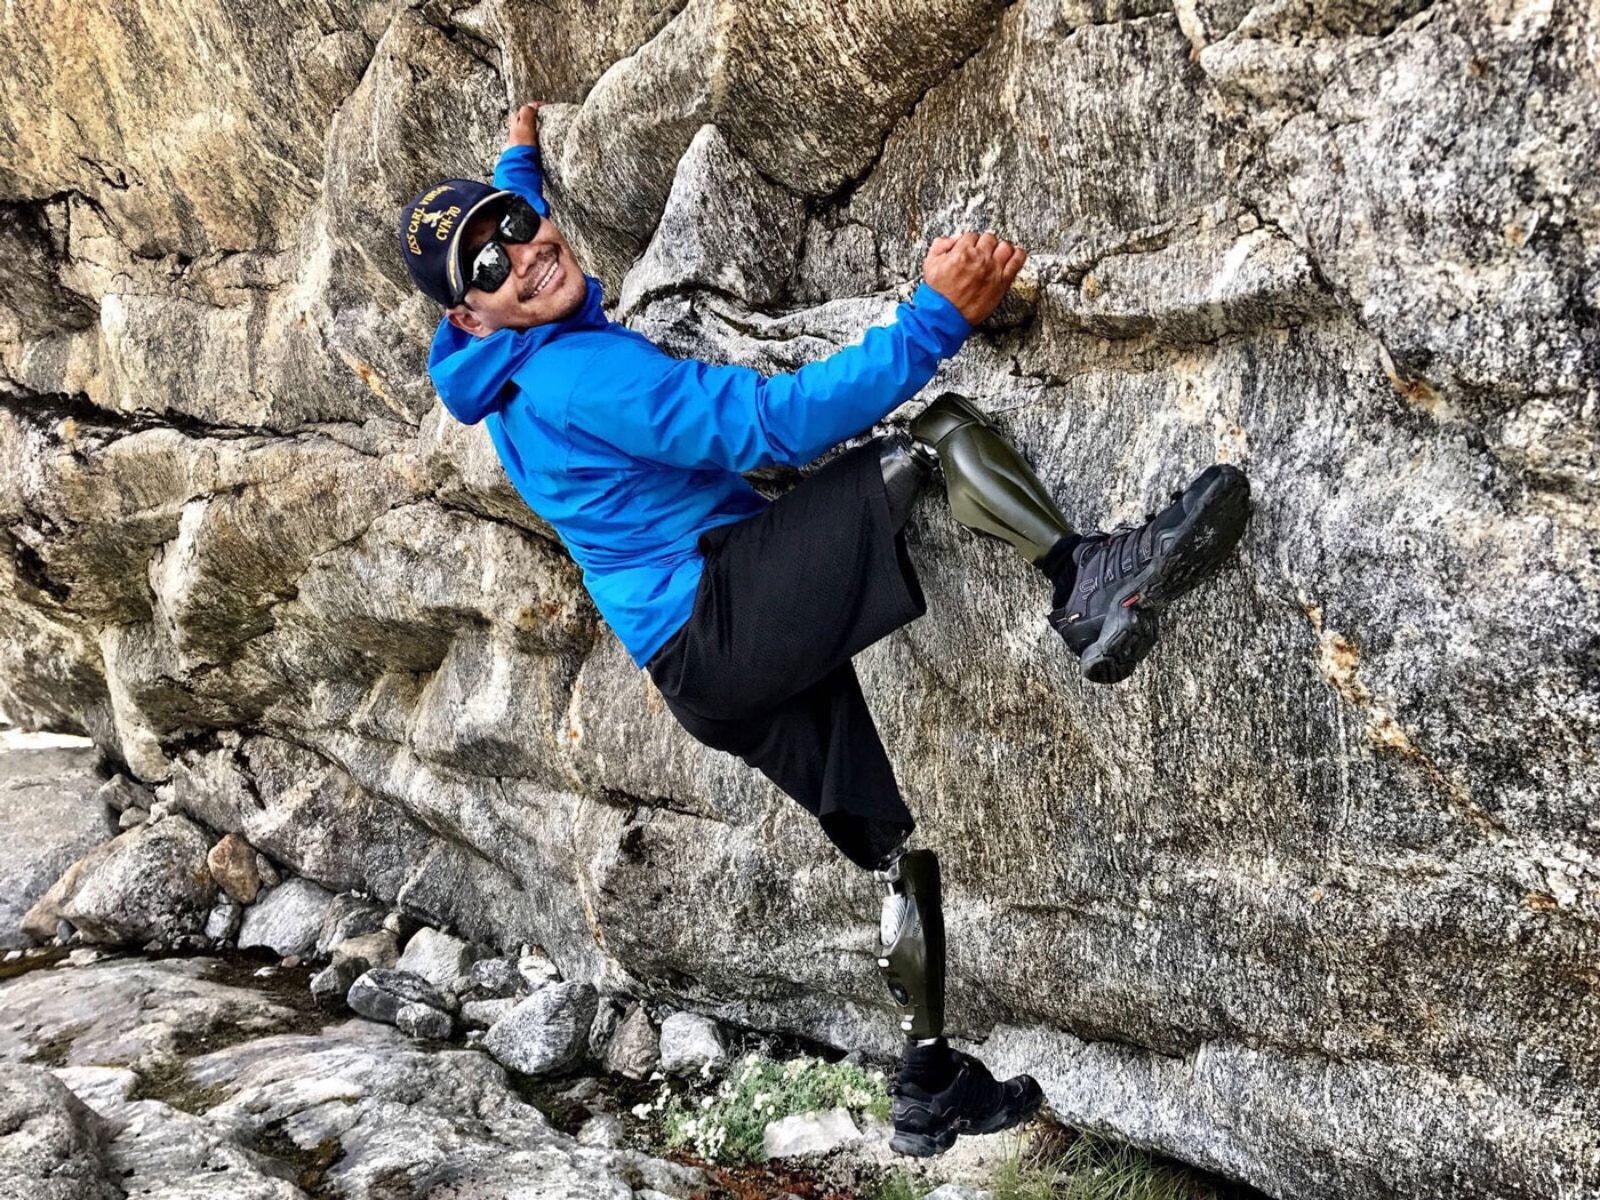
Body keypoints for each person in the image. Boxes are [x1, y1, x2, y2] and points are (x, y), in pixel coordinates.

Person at [399, 102, 1250, 1157]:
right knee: (924, 446)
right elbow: (771, 422)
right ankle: (1086, 581)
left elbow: (503, 231)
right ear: (471, 316)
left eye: (516, 227)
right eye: (488, 268)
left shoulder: (485, 358)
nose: (521, 254)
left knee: (893, 849)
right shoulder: (578, 373)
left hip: (694, 670)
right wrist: (932, 319)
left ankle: (930, 1081)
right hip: (726, 610)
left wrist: (516, 160)